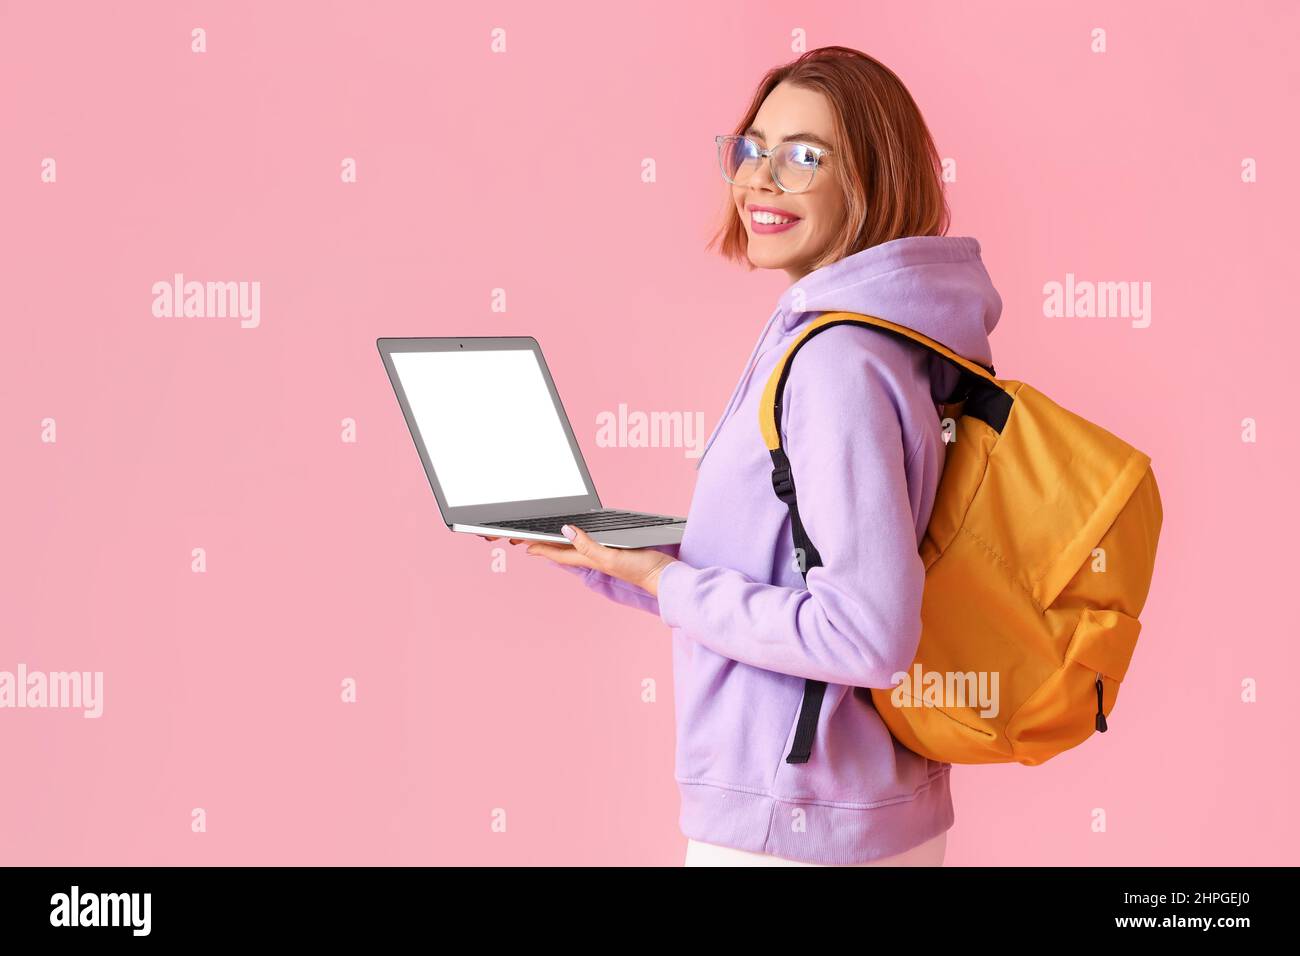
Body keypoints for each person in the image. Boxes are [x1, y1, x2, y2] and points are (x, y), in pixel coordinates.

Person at [486, 46, 1002, 866]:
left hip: (797, 824)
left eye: (805, 156)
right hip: (839, 808)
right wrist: (622, 560)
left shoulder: (837, 361)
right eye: (753, 148)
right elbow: (792, 564)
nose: (762, 178)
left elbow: (864, 635)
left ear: (873, 179)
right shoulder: (863, 342)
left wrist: (669, 581)